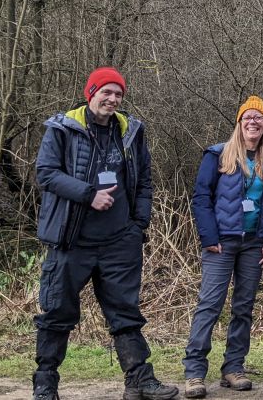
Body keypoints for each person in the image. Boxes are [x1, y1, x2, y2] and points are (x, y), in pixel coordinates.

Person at [32, 67, 178, 400]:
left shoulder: (131, 132)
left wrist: (138, 225)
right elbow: (46, 174)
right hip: (72, 241)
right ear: (91, 92)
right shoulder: (62, 129)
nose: (112, 99)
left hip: (118, 243)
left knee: (125, 313)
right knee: (57, 314)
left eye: (118, 94)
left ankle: (139, 382)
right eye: (106, 92)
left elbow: (144, 181)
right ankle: (45, 385)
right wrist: (88, 194)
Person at [182, 96, 263, 398]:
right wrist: (209, 237)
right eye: (247, 118)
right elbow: (201, 198)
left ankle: (233, 366)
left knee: (243, 308)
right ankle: (195, 372)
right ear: (239, 123)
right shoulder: (218, 155)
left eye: (259, 118)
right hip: (222, 245)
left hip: (255, 244)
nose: (252, 123)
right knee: (210, 305)